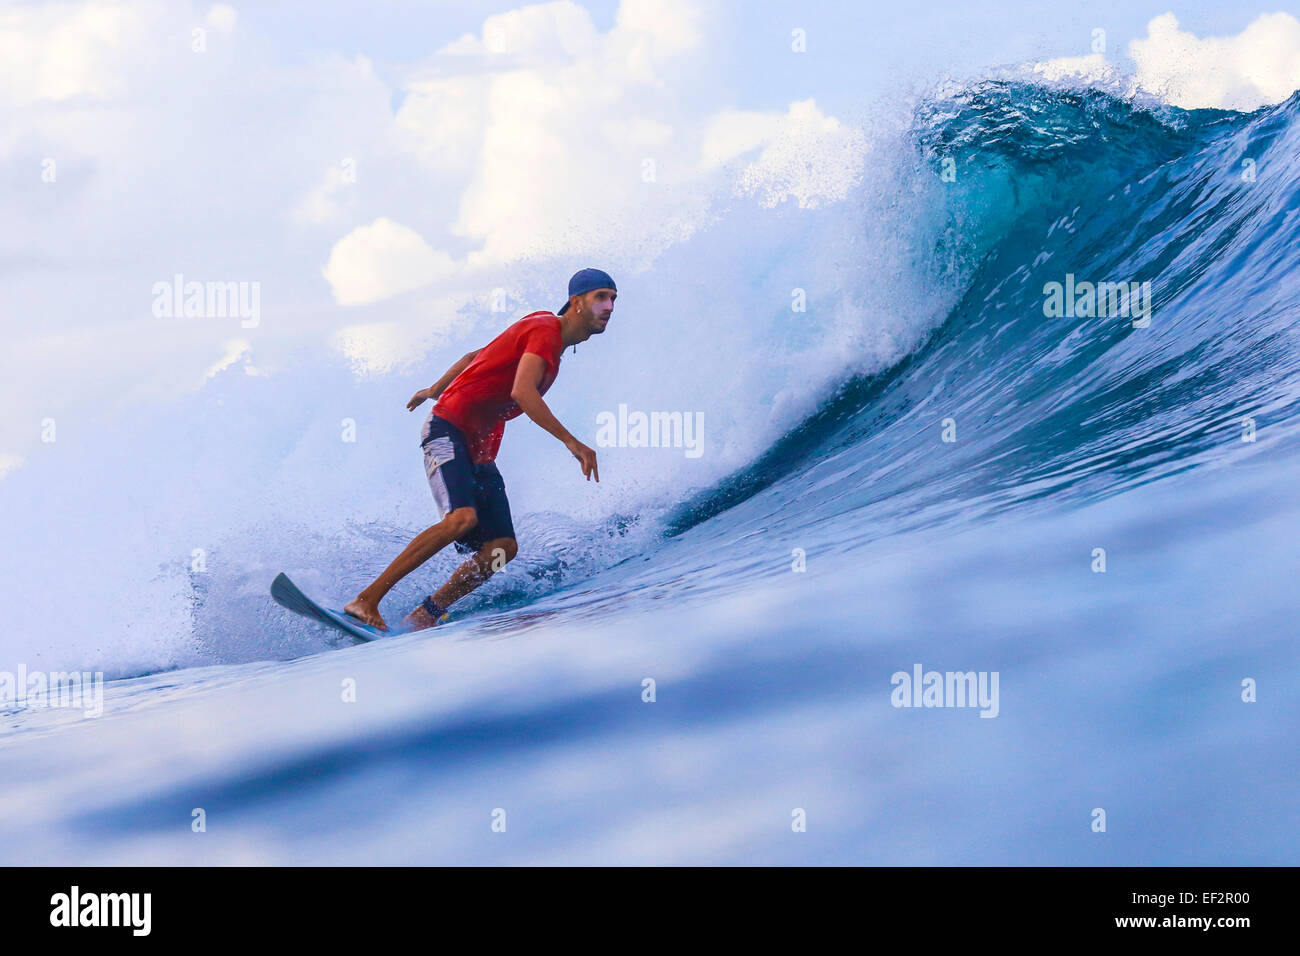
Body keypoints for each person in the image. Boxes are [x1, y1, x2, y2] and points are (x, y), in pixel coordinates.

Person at [344, 268, 617, 632]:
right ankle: (366, 600)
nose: (610, 306)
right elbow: (523, 392)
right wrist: (572, 442)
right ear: (576, 301)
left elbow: (477, 355)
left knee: (502, 548)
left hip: (479, 446)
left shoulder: (546, 336)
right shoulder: (545, 331)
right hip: (448, 428)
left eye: (614, 298)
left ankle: (425, 615)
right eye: (601, 296)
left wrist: (435, 386)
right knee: (461, 520)